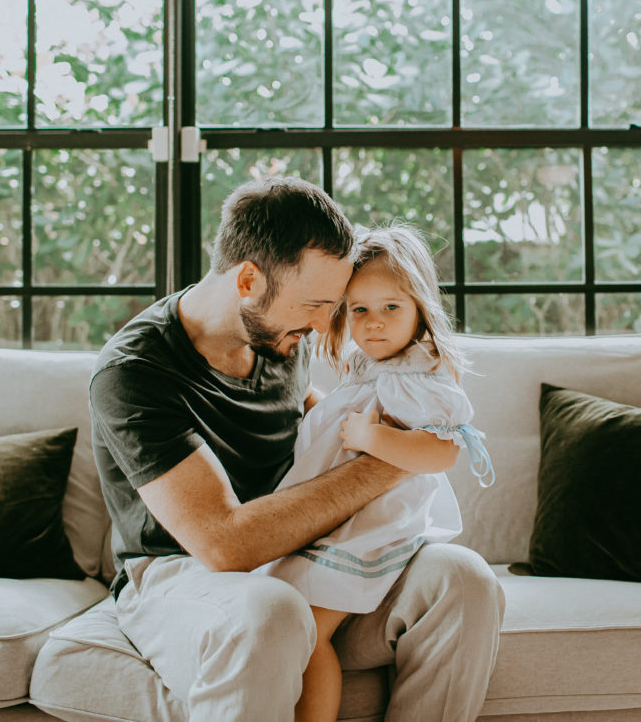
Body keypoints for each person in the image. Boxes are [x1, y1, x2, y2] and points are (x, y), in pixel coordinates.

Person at [89, 176, 505, 722]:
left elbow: (317, 414)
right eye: (314, 306)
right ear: (247, 280)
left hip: (302, 559)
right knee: (273, 610)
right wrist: (392, 458)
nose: (319, 327)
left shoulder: (279, 334)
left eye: (332, 307)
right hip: (181, 574)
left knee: (465, 579)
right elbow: (224, 545)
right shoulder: (136, 372)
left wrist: (399, 421)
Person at [255, 223, 496, 722]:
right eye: (359, 309)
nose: (374, 323)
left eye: (391, 308)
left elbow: (440, 453)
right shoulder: (366, 367)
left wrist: (370, 439)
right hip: (332, 520)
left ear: (420, 310)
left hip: (369, 530)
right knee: (290, 619)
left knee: (309, 632)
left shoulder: (419, 377)